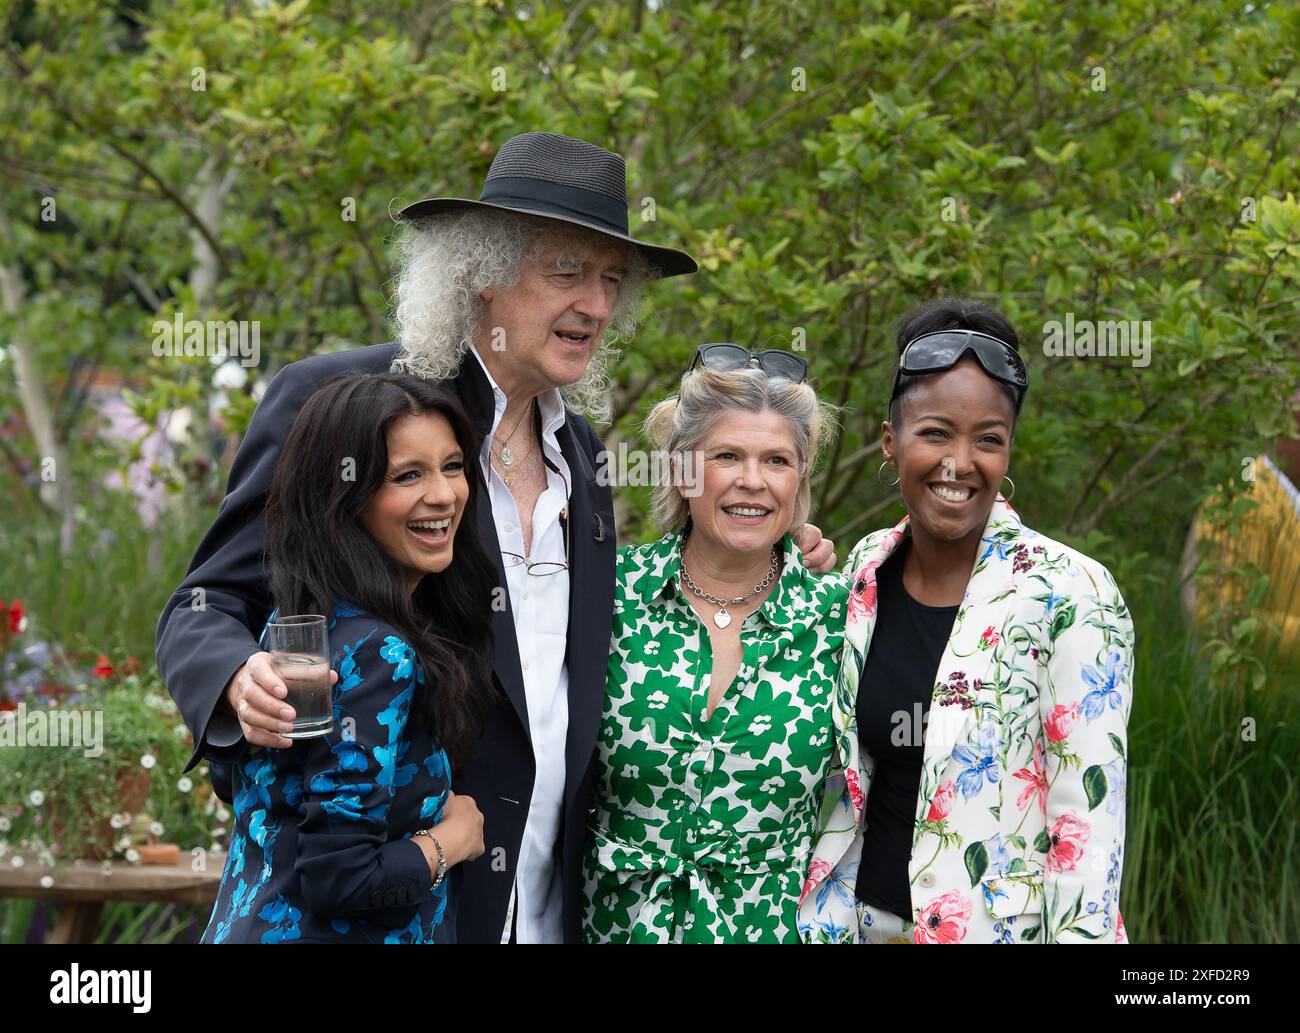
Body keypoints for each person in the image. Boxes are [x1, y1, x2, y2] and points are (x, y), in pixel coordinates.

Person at [158, 131, 836, 942]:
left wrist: (766, 551)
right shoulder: (346, 404)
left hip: (555, 903)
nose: (595, 303)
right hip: (404, 902)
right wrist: (237, 675)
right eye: (566, 271)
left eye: (611, 280)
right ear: (481, 272)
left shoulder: (584, 456)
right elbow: (205, 602)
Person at [799, 299, 1134, 944]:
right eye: (935, 433)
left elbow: (1087, 828)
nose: (960, 461)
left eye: (988, 438)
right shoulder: (866, 569)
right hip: (853, 925)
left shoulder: (1071, 593)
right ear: (890, 442)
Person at [202, 373, 491, 943]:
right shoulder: (379, 652)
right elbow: (340, 879)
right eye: (407, 475)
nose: (443, 495)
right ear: (343, 498)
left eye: (453, 466)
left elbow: (268, 801)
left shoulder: (295, 628)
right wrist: (454, 839)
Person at [583, 345, 847, 942]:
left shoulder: (839, 618)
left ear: (799, 478)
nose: (752, 481)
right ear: (681, 469)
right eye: (727, 456)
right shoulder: (606, 595)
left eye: (776, 460)